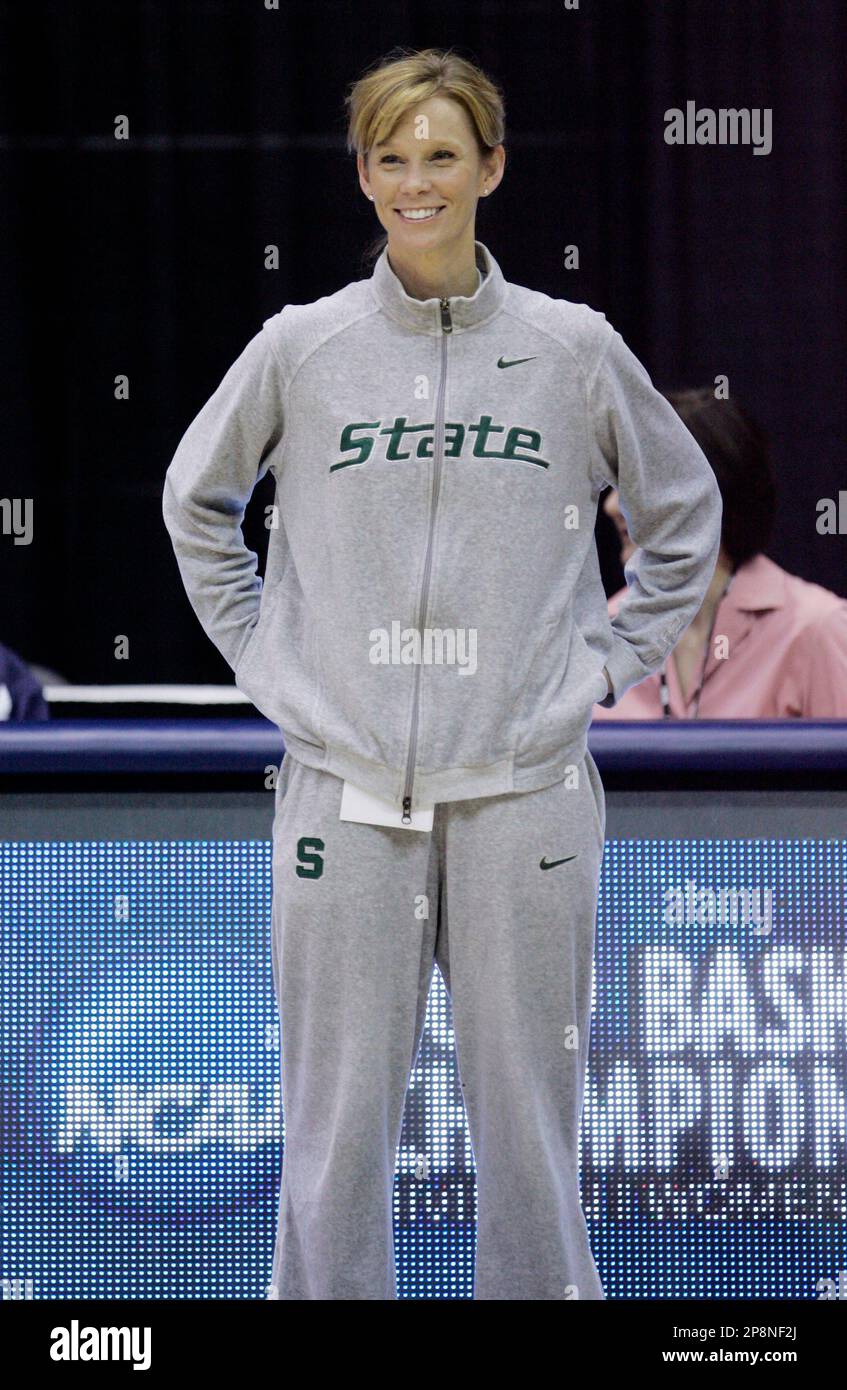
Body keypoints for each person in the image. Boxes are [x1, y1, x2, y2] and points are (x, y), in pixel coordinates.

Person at [161, 46, 722, 1300]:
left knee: (529, 1130)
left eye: (444, 156)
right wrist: (271, 661)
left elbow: (683, 515)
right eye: (394, 158)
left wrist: (606, 661)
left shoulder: (570, 347)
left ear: (492, 168)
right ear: (364, 173)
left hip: (525, 791)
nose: (419, 181)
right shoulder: (304, 348)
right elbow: (195, 501)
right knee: (335, 1132)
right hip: (344, 791)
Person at [594, 389, 847, 718]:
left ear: (707, 497)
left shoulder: (817, 629)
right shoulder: (598, 636)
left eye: (636, 482)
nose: (612, 505)